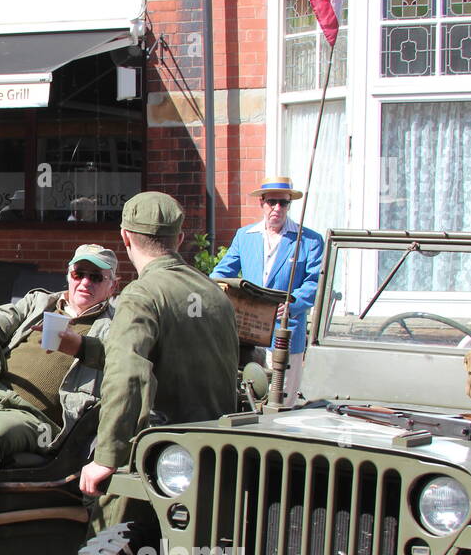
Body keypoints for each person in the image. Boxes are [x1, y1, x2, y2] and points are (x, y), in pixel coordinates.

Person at [80, 191, 238, 527]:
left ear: (125, 237)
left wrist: (106, 458)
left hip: (160, 460)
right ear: (179, 239)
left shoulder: (141, 294)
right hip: (214, 458)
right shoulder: (215, 294)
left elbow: (127, 376)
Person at [0, 244, 119, 461]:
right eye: (79, 274)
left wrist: (81, 346)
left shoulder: (117, 325)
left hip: (36, 417)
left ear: (112, 286)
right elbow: (4, 317)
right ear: (69, 275)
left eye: (96, 277)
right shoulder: (41, 302)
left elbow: (122, 358)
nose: (85, 282)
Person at [210, 177, 325, 399]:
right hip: (250, 333)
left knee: (284, 399)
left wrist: (292, 304)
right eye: (272, 202)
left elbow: (314, 283)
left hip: (286, 332)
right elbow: (221, 273)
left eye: (283, 203)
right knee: (251, 395)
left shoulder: (309, 240)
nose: (277, 208)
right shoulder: (245, 237)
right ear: (262, 202)